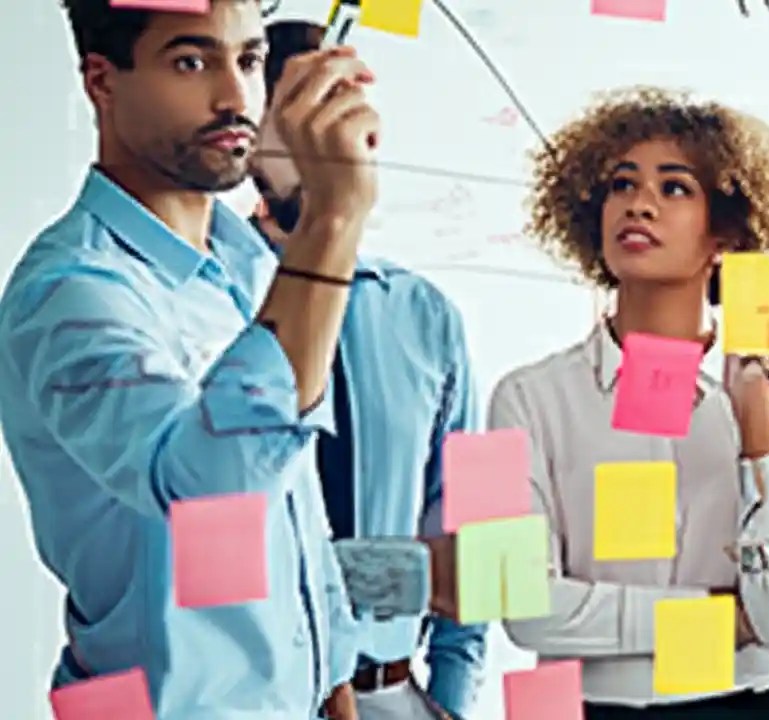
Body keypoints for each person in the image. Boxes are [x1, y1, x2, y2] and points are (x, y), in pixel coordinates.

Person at [0, 1, 379, 717]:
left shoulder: (246, 268)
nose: (237, 99)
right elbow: (214, 493)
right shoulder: (70, 292)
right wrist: (332, 219)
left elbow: (294, 508)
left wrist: (332, 675)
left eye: (249, 60)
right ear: (101, 81)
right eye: (190, 61)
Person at [489, 86, 769, 719]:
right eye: (621, 185)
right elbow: (520, 609)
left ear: (724, 231)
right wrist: (724, 619)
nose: (638, 204)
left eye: (674, 188)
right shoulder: (522, 399)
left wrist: (756, 423)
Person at [248, 19, 486, 720]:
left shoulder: (432, 317)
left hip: (397, 699)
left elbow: (480, 527)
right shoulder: (208, 301)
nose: (322, 138)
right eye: (296, 109)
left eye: (340, 109)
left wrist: (447, 703)